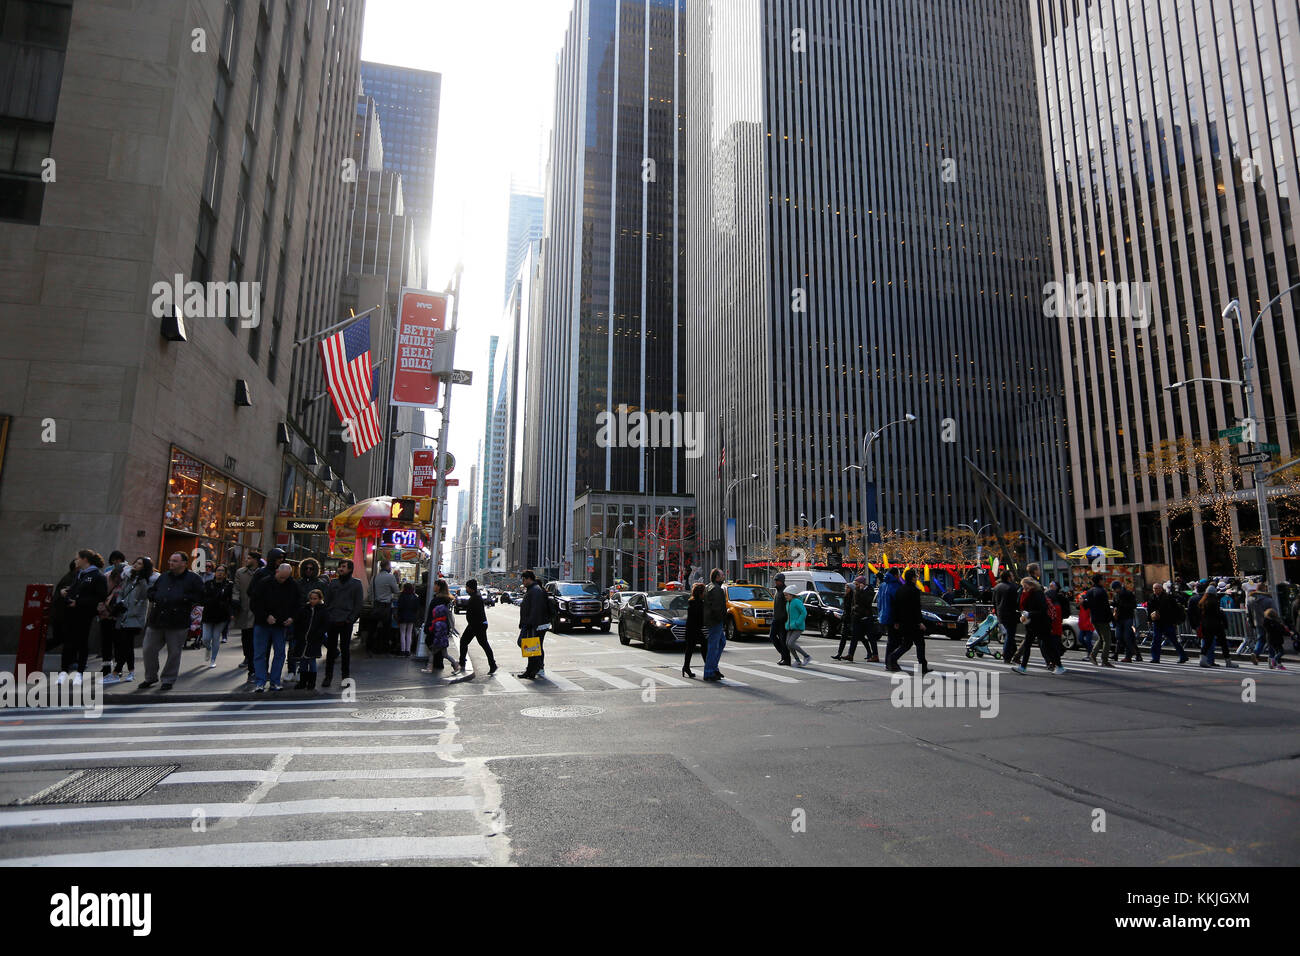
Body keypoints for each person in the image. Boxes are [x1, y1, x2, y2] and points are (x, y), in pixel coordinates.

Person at [141, 552, 203, 690]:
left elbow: (200, 596)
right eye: (170, 560)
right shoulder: (163, 577)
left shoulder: (193, 578)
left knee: (174, 652)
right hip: (157, 619)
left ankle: (168, 679)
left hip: (177, 621)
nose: (171, 563)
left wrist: (184, 599)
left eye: (175, 561)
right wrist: (153, 595)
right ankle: (150, 677)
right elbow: (153, 590)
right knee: (148, 649)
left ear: (184, 563)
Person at [59, 550, 107, 684]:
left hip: (85, 614)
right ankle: (63, 671)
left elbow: (101, 596)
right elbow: (76, 590)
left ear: (85, 559)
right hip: (71, 613)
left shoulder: (98, 576)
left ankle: (79, 672)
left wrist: (79, 602)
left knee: (81, 642)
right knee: (68, 642)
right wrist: (66, 592)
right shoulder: (80, 574)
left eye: (77, 558)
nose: (76, 561)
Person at [249, 563, 298, 691]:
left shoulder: (291, 585)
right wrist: (266, 616)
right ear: (277, 572)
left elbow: (297, 603)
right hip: (263, 623)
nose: (283, 580)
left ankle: (274, 681)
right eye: (282, 577)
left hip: (280, 624)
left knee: (279, 653)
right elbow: (254, 603)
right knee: (260, 653)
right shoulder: (264, 583)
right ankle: (261, 681)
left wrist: (291, 617)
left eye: (286, 578)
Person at [106, 556, 152, 683]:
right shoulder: (129, 577)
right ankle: (129, 672)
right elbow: (122, 592)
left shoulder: (144, 581)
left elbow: (143, 602)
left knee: (126, 645)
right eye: (136, 562)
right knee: (124, 645)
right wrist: (120, 603)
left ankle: (117, 672)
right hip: (123, 615)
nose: (136, 565)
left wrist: (131, 611)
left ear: (144, 567)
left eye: (140, 564)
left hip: (133, 618)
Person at [323, 559, 364, 688]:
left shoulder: (356, 584)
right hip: (333, 620)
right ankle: (328, 676)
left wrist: (350, 618)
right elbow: (327, 600)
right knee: (331, 650)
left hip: (346, 621)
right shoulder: (333, 583)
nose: (341, 569)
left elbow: (358, 604)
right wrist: (329, 615)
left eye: (344, 567)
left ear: (350, 569)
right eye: (340, 566)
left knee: (345, 650)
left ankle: (345, 676)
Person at [885, 568, 928, 673]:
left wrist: (896, 621)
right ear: (913, 578)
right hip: (913, 623)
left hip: (903, 623)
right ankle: (922, 666)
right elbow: (916, 608)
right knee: (920, 644)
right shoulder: (915, 591)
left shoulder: (900, 590)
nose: (916, 579)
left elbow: (895, 607)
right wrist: (920, 622)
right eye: (916, 577)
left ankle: (893, 657)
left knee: (906, 644)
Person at [291, 558, 326, 678]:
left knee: (310, 651)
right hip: (300, 618)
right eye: (306, 568)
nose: (308, 570)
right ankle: (294, 671)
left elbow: (323, 603)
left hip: (314, 618)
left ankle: (307, 677)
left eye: (311, 568)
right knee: (295, 646)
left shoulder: (320, 584)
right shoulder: (298, 583)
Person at [200, 565, 237, 668]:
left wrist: (232, 612)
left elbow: (231, 600)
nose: (220, 572)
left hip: (222, 615)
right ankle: (208, 648)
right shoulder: (208, 584)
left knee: (216, 637)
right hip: (208, 613)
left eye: (222, 571)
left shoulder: (229, 585)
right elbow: (202, 597)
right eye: (218, 570)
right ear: (215, 572)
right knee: (205, 638)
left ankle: (213, 659)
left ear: (225, 573)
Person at [455, 579, 495, 674]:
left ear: (470, 588)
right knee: (483, 644)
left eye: (467, 587)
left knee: (465, 642)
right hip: (477, 625)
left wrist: (472, 624)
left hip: (476, 625)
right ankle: (492, 665)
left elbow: (476, 614)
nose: (466, 589)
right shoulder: (475, 596)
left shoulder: (475, 597)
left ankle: (462, 663)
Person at [97, 550, 127, 676]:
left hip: (107, 613)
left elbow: (101, 594)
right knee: (118, 643)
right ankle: (117, 667)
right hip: (119, 615)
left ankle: (107, 667)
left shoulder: (107, 575)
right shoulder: (128, 577)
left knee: (107, 642)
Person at [835, 575, 877, 662]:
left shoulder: (869, 590)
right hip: (857, 617)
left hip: (866, 617)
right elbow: (855, 603)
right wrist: (853, 611)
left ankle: (875, 654)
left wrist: (861, 591)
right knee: (854, 637)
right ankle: (850, 655)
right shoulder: (856, 591)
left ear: (862, 584)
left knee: (870, 637)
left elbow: (866, 602)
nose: (855, 586)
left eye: (857, 584)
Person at [294, 589, 330, 690]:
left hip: (314, 640)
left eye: (315, 599)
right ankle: (302, 682)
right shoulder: (304, 609)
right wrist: (299, 634)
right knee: (303, 661)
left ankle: (311, 683)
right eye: (311, 598)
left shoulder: (323, 610)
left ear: (320, 599)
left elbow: (325, 625)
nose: (312, 601)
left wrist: (318, 634)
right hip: (303, 639)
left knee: (311, 661)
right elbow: (298, 622)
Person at [516, 570, 549, 680]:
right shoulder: (532, 590)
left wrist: (530, 623)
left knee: (528, 645)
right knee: (531, 647)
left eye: (524, 580)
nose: (523, 582)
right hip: (530, 623)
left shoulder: (535, 590)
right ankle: (530, 670)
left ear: (529, 578)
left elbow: (535, 609)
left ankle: (537, 666)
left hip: (533, 624)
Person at [233, 550, 260, 674]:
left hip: (258, 610)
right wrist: (235, 601)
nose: (246, 560)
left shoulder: (261, 572)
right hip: (244, 608)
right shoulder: (240, 572)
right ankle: (247, 657)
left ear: (255, 560)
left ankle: (253, 661)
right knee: (246, 636)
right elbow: (236, 588)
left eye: (249, 558)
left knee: (256, 636)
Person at [1148, 581, 1189, 664]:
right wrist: (1149, 620)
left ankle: (1183, 656)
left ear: (1161, 589)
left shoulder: (1168, 597)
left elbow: (1175, 610)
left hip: (1167, 621)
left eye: (1157, 588)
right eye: (1154, 588)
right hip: (1157, 621)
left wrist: (1174, 621)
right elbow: (1149, 609)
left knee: (1173, 640)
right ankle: (1155, 658)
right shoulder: (1152, 597)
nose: (1155, 590)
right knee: (1156, 640)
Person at [1198, 586, 1236, 668]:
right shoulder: (1214, 601)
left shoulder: (1202, 602)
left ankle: (1202, 659)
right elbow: (1218, 614)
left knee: (1207, 643)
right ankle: (1228, 661)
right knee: (1223, 643)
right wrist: (1224, 622)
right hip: (1216, 625)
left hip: (1206, 625)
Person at [1083, 574, 1115, 667]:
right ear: (1100, 581)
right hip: (1103, 618)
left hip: (1094, 617)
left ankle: (1093, 655)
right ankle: (1104, 660)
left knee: (1101, 638)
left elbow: (1085, 605)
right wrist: (1111, 619)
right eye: (1103, 579)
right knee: (1107, 640)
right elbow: (1106, 607)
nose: (1104, 581)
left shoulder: (1090, 591)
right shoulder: (1102, 591)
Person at [702, 568, 728, 681]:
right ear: (717, 577)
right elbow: (717, 608)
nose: (724, 576)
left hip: (712, 620)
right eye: (722, 575)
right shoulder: (717, 589)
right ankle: (709, 672)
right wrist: (722, 620)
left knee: (721, 642)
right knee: (714, 646)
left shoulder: (709, 586)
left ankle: (713, 668)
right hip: (715, 621)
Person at [372, 560, 400, 654]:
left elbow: (370, 591)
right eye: (390, 566)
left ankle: (374, 646)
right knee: (386, 628)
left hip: (376, 605)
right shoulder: (390, 577)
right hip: (386, 606)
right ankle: (384, 647)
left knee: (375, 627)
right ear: (387, 566)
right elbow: (396, 591)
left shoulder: (374, 577)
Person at [877, 567, 903, 664]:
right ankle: (890, 660)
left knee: (892, 640)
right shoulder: (895, 586)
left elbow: (879, 601)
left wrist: (880, 613)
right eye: (898, 574)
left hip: (885, 615)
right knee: (896, 641)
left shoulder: (883, 585)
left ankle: (890, 660)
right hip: (893, 616)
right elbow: (897, 603)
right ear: (896, 575)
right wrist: (897, 619)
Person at [993, 569, 1021, 660]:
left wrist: (997, 612)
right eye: (1012, 576)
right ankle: (1007, 655)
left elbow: (994, 601)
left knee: (1009, 634)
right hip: (1011, 613)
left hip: (1000, 613)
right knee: (1010, 634)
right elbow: (1016, 602)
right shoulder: (1012, 587)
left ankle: (1013, 652)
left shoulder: (997, 587)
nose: (1013, 577)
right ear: (1009, 577)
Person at [1112, 580, 1141, 662]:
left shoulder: (1128, 594)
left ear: (1119, 587)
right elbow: (1116, 605)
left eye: (1115, 589)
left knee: (1127, 637)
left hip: (1127, 617)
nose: (1115, 591)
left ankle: (1129, 655)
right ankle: (1135, 653)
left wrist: (1120, 605)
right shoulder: (1116, 595)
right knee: (1119, 636)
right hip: (1120, 618)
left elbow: (1133, 605)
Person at [783, 586, 812, 666]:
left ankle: (807, 656)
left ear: (791, 594)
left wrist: (797, 623)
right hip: (790, 627)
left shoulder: (796, 601)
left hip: (798, 627)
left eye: (786, 595)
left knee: (791, 643)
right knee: (788, 644)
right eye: (785, 595)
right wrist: (787, 624)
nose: (785, 597)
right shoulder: (788, 603)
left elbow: (804, 612)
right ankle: (797, 660)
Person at [682, 582, 706, 678]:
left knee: (690, 649)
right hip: (694, 629)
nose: (705, 594)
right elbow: (699, 618)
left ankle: (686, 667)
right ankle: (708, 667)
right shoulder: (698, 604)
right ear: (700, 593)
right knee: (704, 645)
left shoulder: (693, 602)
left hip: (691, 629)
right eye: (704, 592)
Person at [1247, 586, 1276, 665]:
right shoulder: (1268, 599)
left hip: (1257, 622)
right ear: (1264, 589)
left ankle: (1256, 653)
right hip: (1269, 622)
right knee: (1271, 640)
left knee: (1261, 639)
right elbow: (1274, 611)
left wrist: (1251, 623)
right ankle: (1271, 658)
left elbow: (1249, 613)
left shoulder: (1250, 599)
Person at [769, 572, 792, 665]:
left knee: (783, 640)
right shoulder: (778, 591)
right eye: (775, 580)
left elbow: (788, 606)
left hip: (783, 619)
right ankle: (783, 655)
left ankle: (786, 659)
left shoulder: (785, 591)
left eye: (777, 580)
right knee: (772, 636)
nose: (776, 582)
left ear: (782, 581)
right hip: (776, 618)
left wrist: (786, 618)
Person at [396, 582, 422, 658]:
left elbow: (399, 607)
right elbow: (417, 608)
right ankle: (408, 650)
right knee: (409, 634)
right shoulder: (415, 597)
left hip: (403, 617)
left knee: (402, 633)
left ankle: (402, 650)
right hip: (411, 617)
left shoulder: (402, 596)